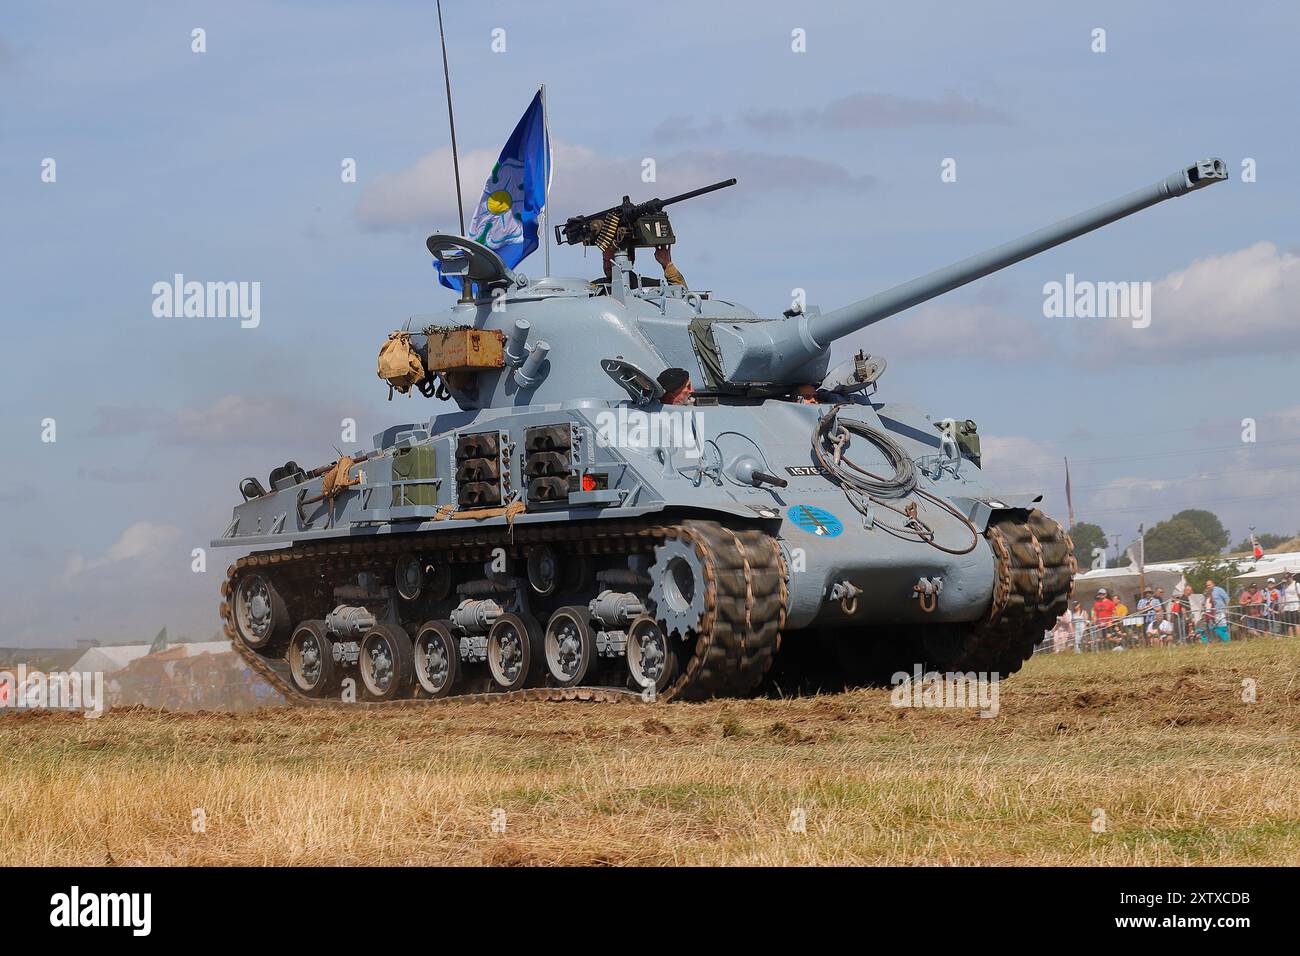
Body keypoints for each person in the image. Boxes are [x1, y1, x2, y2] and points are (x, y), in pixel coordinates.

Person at [601, 244, 687, 287]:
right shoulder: (596, 288)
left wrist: (667, 265)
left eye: (612, 261)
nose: (607, 266)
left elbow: (682, 297)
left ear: (629, 260)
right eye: (605, 261)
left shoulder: (651, 287)